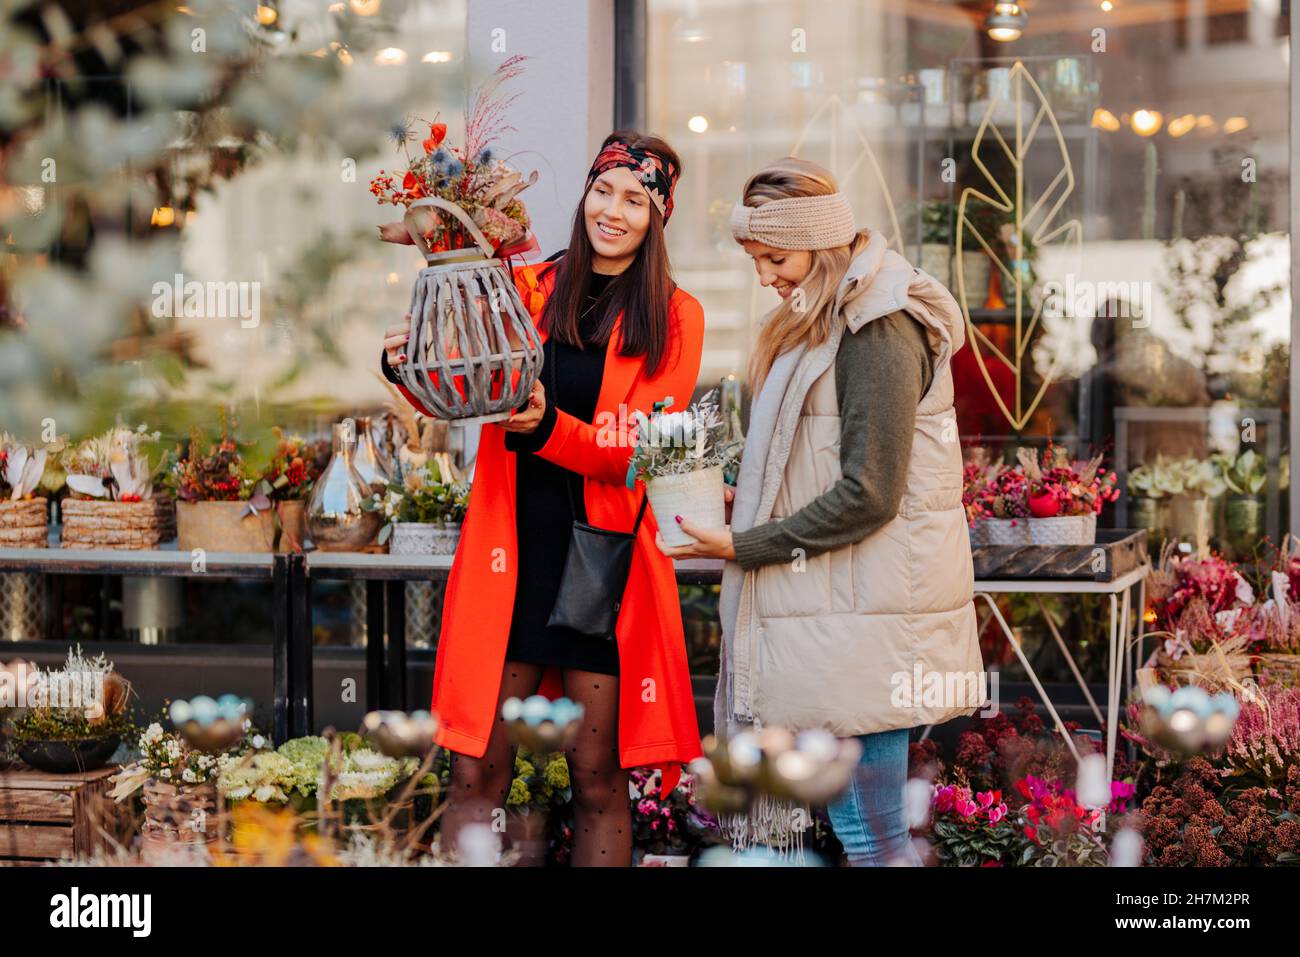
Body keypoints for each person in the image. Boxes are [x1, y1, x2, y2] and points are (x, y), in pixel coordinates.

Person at [381, 131, 705, 866]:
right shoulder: (529, 288)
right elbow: (465, 389)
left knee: (597, 777)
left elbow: (639, 457)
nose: (613, 211)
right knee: (476, 770)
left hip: (603, 571)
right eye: (603, 191)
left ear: (658, 216)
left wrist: (549, 425)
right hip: (512, 560)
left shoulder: (676, 317)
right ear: (585, 195)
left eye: (635, 198)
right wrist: (406, 366)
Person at [657, 157, 983, 866]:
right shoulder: (821, 319)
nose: (765, 275)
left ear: (820, 244)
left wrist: (745, 542)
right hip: (841, 617)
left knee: (873, 838)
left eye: (775, 257)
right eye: (755, 258)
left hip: (869, 625)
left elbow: (869, 490)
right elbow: (811, 464)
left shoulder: (879, 326)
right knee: (861, 835)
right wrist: (737, 494)